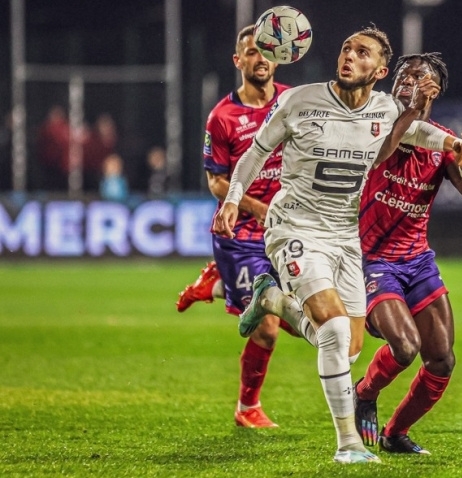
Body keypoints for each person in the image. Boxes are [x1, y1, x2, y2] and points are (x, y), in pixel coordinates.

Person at [213, 26, 462, 464]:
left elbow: (428, 140)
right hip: (298, 228)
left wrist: (461, 150)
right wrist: (232, 200)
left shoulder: (383, 110)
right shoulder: (300, 100)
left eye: (362, 53)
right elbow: (256, 152)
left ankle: (273, 300)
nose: (349, 56)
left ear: (377, 70)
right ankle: (349, 444)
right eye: (346, 48)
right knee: (343, 333)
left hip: (349, 240)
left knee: (350, 347)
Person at [353, 52, 462, 455]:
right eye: (404, 74)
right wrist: (415, 109)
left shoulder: (442, 143)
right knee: (404, 346)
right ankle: (364, 392)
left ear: (436, 90)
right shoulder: (375, 123)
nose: (409, 80)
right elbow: (389, 146)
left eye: (420, 76)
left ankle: (395, 434)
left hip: (416, 261)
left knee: (441, 360)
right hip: (372, 259)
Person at [176, 25, 294, 429]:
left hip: (290, 230)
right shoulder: (222, 117)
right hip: (241, 234)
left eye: (266, 52)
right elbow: (216, 181)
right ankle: (248, 408)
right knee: (268, 330)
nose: (260, 59)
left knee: (306, 321)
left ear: (277, 58)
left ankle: (218, 283)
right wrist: (257, 208)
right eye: (251, 52)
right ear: (238, 61)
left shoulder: (294, 102)